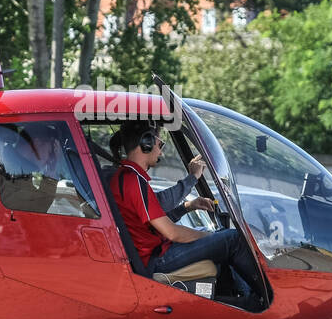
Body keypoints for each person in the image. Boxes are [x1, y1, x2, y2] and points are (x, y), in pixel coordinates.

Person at [109, 121, 261, 302]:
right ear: (146, 143)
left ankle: (241, 301)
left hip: (156, 254)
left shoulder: (126, 177)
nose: (161, 151)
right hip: (157, 260)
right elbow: (173, 233)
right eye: (160, 144)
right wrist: (207, 237)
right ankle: (262, 299)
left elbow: (152, 223)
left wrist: (187, 207)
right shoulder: (133, 182)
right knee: (234, 238)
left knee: (222, 237)